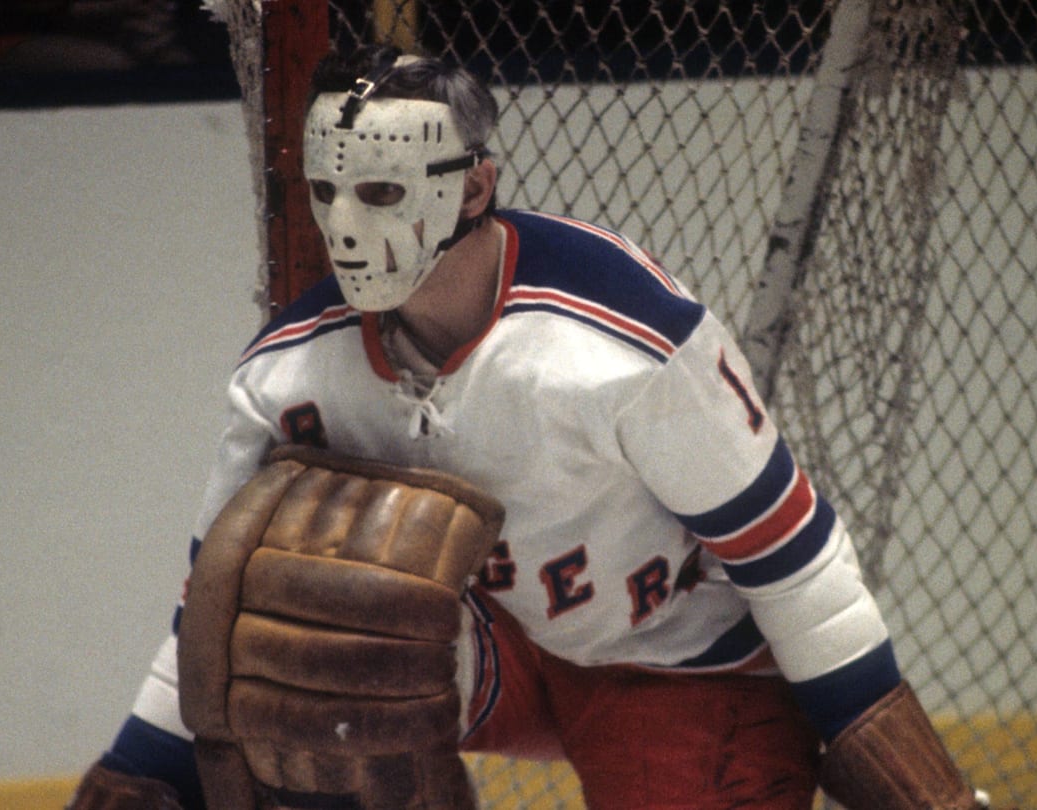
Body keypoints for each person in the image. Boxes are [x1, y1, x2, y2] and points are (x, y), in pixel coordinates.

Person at [68, 44, 985, 810]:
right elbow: (216, 617)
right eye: (326, 190)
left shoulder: (623, 346)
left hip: (678, 663)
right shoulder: (286, 376)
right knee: (297, 646)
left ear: (475, 188)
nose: (344, 226)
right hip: (482, 659)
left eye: (383, 194)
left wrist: (906, 775)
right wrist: (138, 774)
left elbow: (793, 558)